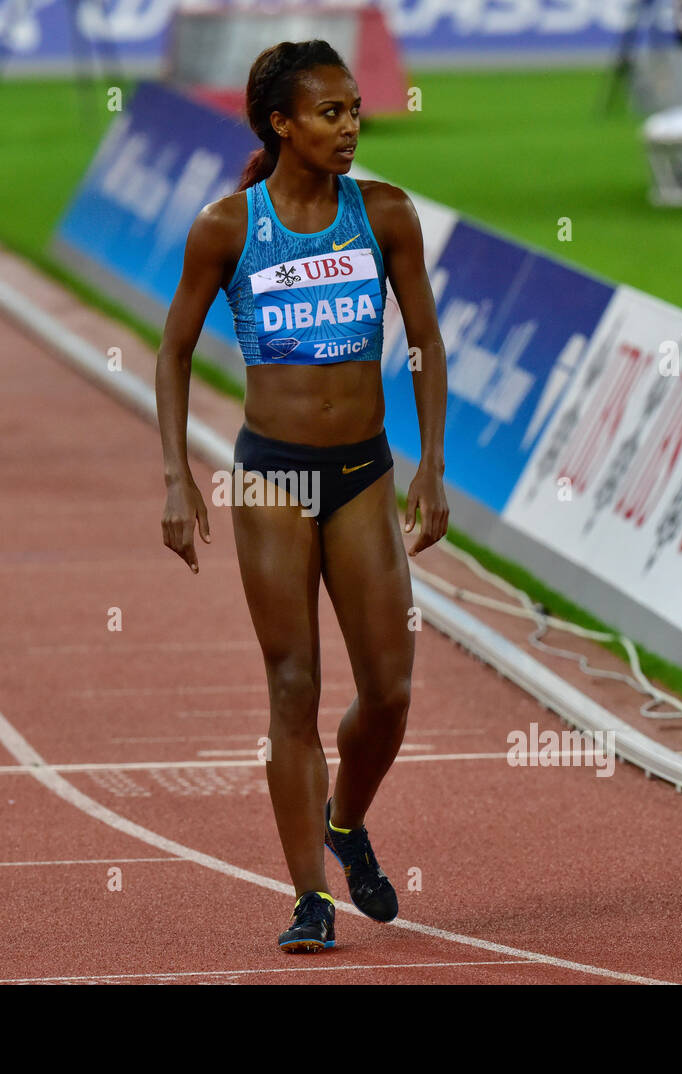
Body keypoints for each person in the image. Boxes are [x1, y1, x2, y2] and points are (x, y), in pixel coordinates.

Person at [156, 39, 449, 952]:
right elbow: (169, 353)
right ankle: (310, 899)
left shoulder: (387, 213)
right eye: (331, 113)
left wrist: (431, 465)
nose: (352, 126)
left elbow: (426, 346)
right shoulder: (227, 227)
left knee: (390, 692)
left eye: (355, 109)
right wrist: (175, 476)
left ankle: (347, 820)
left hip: (364, 471)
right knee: (293, 686)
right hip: (271, 475)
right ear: (281, 124)